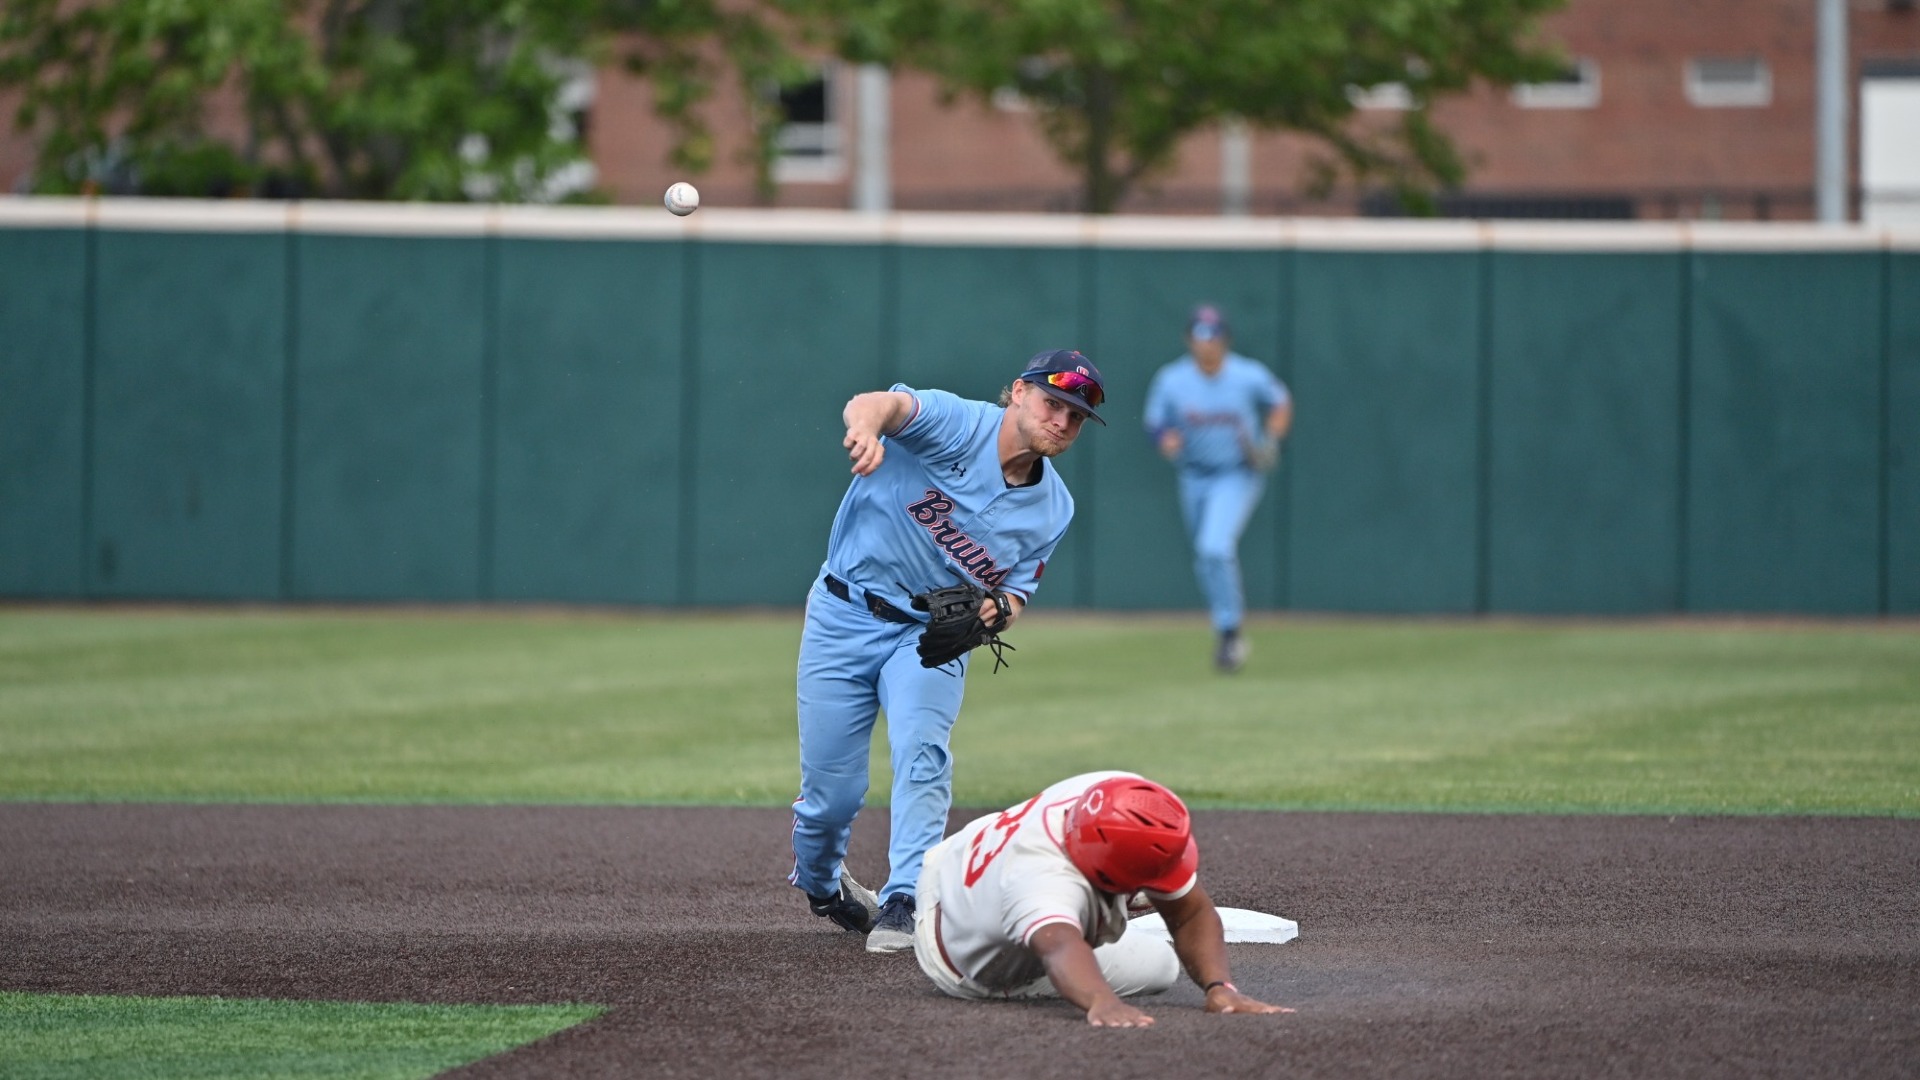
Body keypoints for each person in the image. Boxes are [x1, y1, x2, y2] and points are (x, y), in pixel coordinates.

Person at [792, 349, 1108, 955]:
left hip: (927, 637)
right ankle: (823, 886)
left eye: (1076, 418)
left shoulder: (1054, 507)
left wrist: (993, 612)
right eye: (1054, 404)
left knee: (923, 751)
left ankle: (905, 896)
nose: (1063, 423)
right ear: (1018, 392)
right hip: (842, 612)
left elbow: (1016, 591)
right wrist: (863, 427)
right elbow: (881, 404)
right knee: (832, 795)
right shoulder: (959, 424)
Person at [910, 770, 1293, 1026]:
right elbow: (1059, 946)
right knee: (1159, 965)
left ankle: (1116, 898)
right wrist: (1100, 1000)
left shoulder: (1121, 792)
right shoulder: (1041, 881)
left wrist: (1221, 989)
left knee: (1107, 908)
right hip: (958, 957)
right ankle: (1113, 903)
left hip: (961, 862)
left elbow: (1191, 911)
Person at [1143, 304, 1293, 673]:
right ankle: (1227, 629)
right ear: (1189, 340)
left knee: (1215, 546)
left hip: (1237, 474)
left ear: (1225, 340)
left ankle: (1229, 632)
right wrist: (1166, 439)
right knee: (1205, 554)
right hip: (1193, 475)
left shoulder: (1246, 374)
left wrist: (1272, 438)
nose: (1207, 345)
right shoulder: (1172, 379)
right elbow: (1155, 422)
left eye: (1213, 338)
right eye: (1200, 338)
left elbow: (1280, 401)